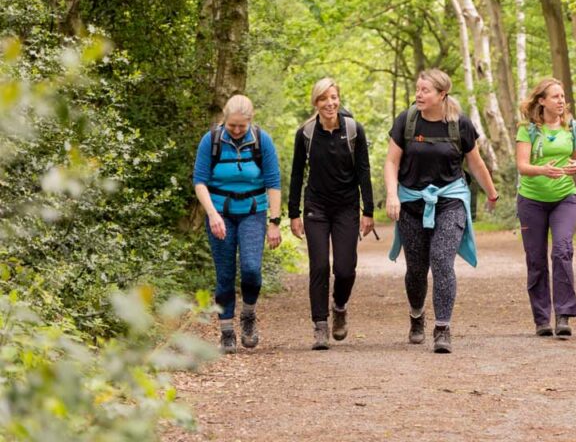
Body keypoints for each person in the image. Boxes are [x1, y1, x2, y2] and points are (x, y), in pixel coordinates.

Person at [384, 69, 499, 354]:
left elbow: (475, 163)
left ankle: (443, 328)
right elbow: (391, 162)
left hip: (450, 200)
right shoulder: (406, 121)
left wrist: (492, 192)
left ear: (442, 94)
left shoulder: (459, 124)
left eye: (425, 90)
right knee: (416, 268)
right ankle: (416, 316)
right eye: (418, 89)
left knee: (442, 260)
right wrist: (391, 195)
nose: (419, 95)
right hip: (411, 203)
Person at [192, 95, 282, 354]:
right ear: (224, 119)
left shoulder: (261, 140)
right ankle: (227, 331)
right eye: (232, 126)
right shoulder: (211, 140)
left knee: (251, 269)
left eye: (242, 126)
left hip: (253, 211)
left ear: (250, 122)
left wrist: (274, 222)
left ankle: (249, 314)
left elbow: (273, 182)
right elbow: (200, 181)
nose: (237, 130)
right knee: (225, 273)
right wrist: (212, 214)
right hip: (220, 212)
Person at [288, 78, 374, 350]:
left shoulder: (353, 130)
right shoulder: (306, 134)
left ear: (339, 99)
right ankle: (320, 326)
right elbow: (297, 173)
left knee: (345, 269)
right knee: (320, 266)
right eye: (324, 98)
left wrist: (368, 211)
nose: (330, 103)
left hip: (346, 206)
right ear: (316, 103)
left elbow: (363, 171)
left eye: (333, 97)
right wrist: (293, 213)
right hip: (317, 207)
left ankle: (339, 306)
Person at [515, 77, 576, 337]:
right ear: (542, 101)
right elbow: (522, 166)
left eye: (562, 96)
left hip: (564, 198)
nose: (561, 101)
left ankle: (564, 315)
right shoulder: (528, 129)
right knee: (535, 259)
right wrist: (542, 170)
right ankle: (542, 318)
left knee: (562, 250)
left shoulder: (573, 127)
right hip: (531, 200)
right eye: (555, 96)